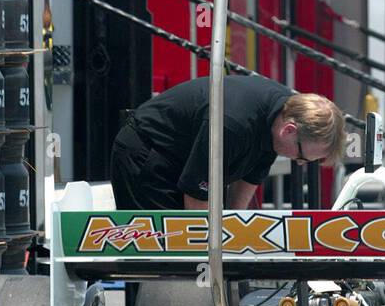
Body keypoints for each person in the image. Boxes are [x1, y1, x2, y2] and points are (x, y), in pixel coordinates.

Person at [110, 72, 346, 211]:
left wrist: (232, 234)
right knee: (166, 257)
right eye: (301, 157)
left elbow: (250, 178)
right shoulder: (233, 124)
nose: (300, 163)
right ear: (289, 130)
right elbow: (196, 195)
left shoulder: (281, 114)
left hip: (184, 158)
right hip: (148, 153)